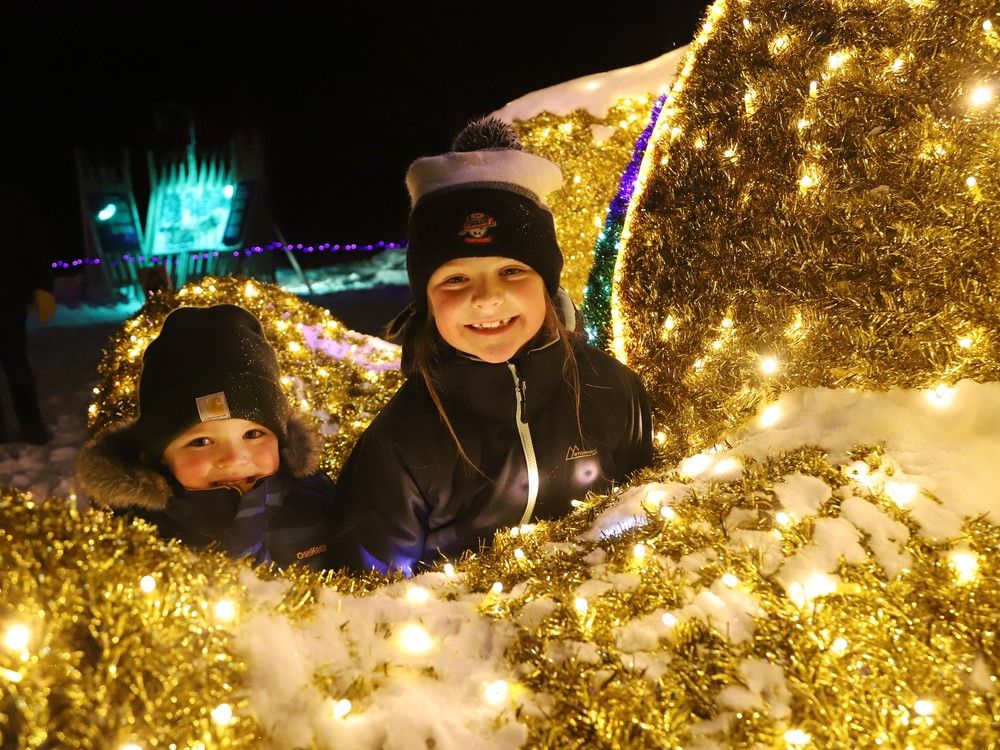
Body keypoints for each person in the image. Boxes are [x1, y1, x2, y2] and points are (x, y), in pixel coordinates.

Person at [336, 116, 654, 575]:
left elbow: (647, 521)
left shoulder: (615, 391)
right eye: (455, 278)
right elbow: (368, 594)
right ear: (425, 301)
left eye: (511, 271)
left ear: (547, 285)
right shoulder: (399, 444)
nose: (486, 298)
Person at [75, 304, 344, 571]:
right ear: (161, 457)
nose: (234, 459)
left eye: (253, 434)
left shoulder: (315, 502)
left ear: (281, 439)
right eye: (201, 442)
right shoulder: (141, 538)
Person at [0, 180, 57, 445]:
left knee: (16, 365)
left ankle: (32, 427)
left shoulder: (8, 193)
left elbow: (30, 238)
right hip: (9, 293)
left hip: (7, 296)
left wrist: (42, 285)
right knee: (16, 364)